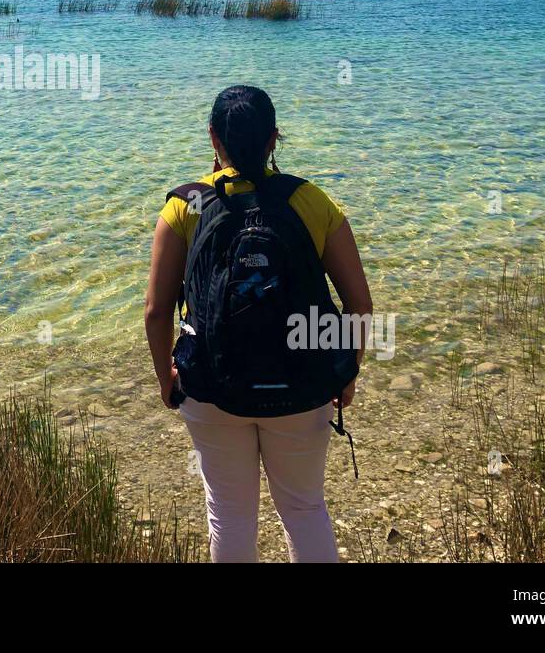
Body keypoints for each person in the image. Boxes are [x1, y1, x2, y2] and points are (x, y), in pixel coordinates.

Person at [143, 85, 373, 563]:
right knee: (306, 509)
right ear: (274, 138)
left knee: (228, 513)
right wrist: (347, 370)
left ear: (213, 137)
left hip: (212, 386)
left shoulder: (184, 206)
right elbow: (359, 303)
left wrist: (165, 377)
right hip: (301, 386)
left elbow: (156, 311)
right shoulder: (310, 201)